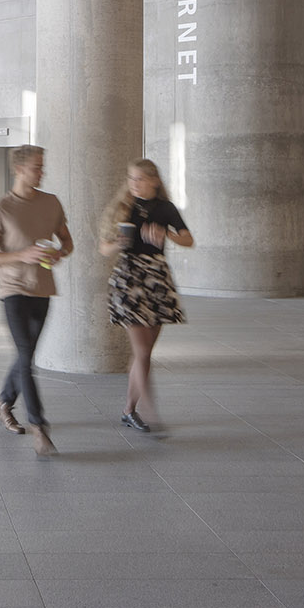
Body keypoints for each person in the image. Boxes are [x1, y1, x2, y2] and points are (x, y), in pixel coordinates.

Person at [0, 144, 72, 455]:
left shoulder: (51, 202)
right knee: (26, 355)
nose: (42, 172)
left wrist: (60, 252)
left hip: (43, 287)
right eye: (36, 167)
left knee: (25, 355)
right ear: (19, 170)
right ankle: (39, 427)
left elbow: (67, 240)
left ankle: (4, 403)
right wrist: (22, 254)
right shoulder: (1, 208)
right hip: (12, 289)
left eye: (43, 166)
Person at [99, 158, 193, 434]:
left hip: (157, 280)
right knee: (141, 351)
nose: (134, 184)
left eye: (140, 178)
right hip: (128, 279)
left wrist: (167, 235)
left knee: (145, 353)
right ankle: (149, 408)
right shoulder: (123, 208)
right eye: (131, 178)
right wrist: (118, 243)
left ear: (155, 180)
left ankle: (129, 410)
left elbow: (189, 239)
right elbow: (103, 249)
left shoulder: (166, 209)